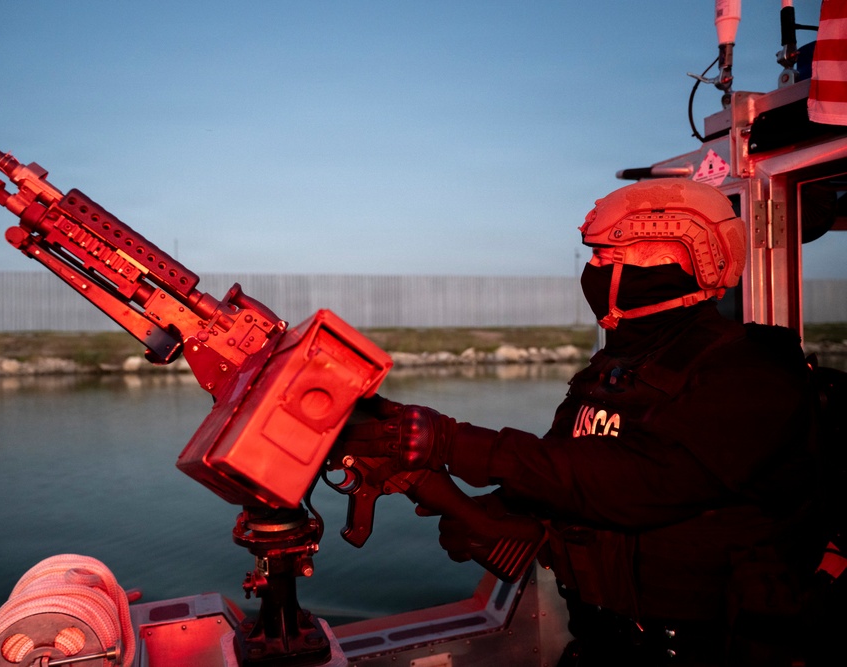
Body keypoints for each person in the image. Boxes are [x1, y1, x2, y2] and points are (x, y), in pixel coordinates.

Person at [337, 178, 823, 666]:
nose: (592, 271)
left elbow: (642, 483)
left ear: (677, 262)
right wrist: (495, 512)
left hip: (709, 650)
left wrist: (458, 444)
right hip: (601, 641)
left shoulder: (751, 370)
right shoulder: (614, 369)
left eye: (606, 260)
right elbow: (566, 472)